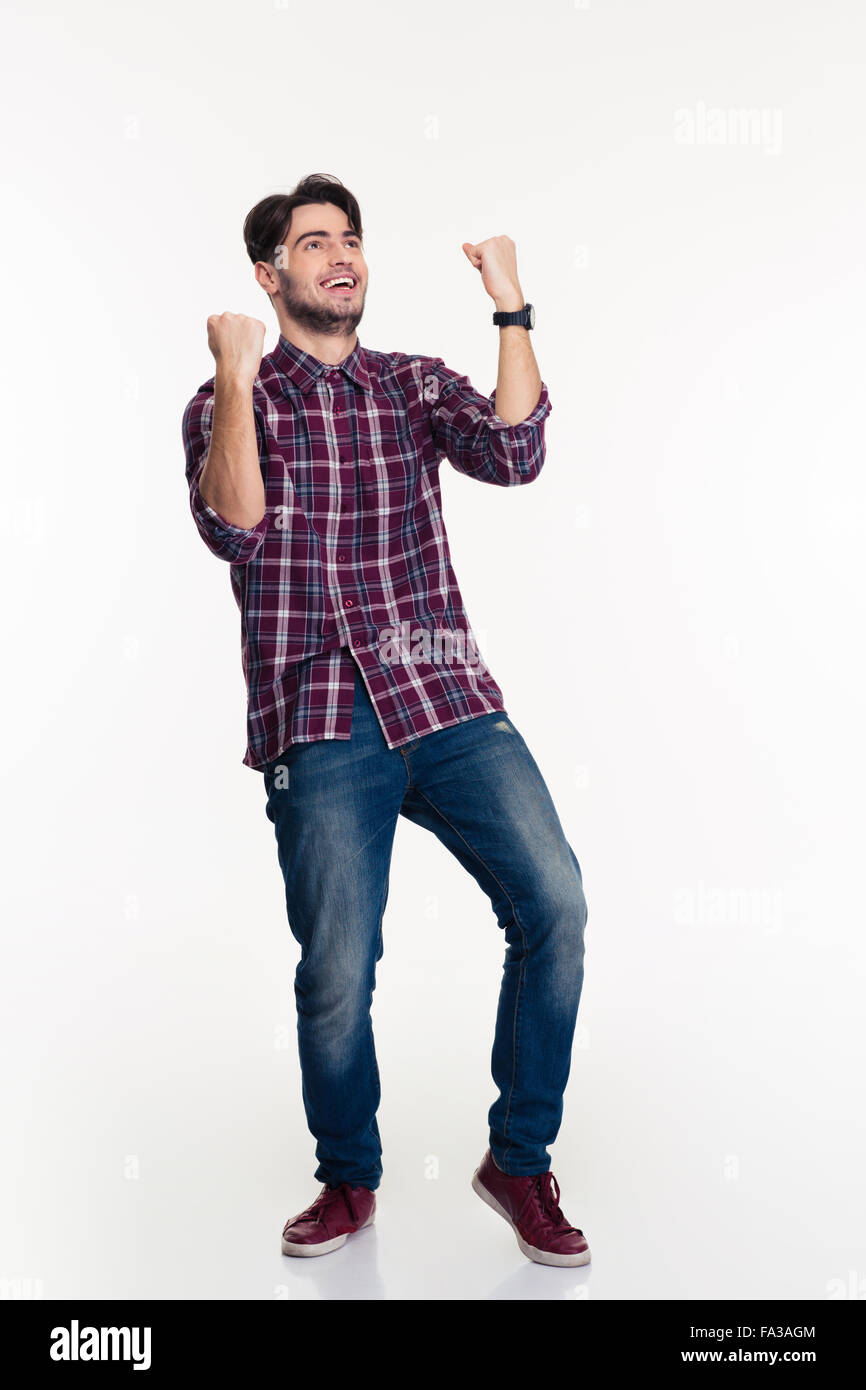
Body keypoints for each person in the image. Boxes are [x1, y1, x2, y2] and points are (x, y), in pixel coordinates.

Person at [181, 173, 590, 1268]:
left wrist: (508, 303)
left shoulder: (410, 383)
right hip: (319, 716)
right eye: (314, 243)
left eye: (351, 238)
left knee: (553, 903)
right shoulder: (232, 400)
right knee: (336, 971)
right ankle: (349, 1180)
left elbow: (514, 452)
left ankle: (518, 1158)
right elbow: (235, 530)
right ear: (271, 276)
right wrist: (229, 371)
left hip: (443, 694)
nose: (341, 254)